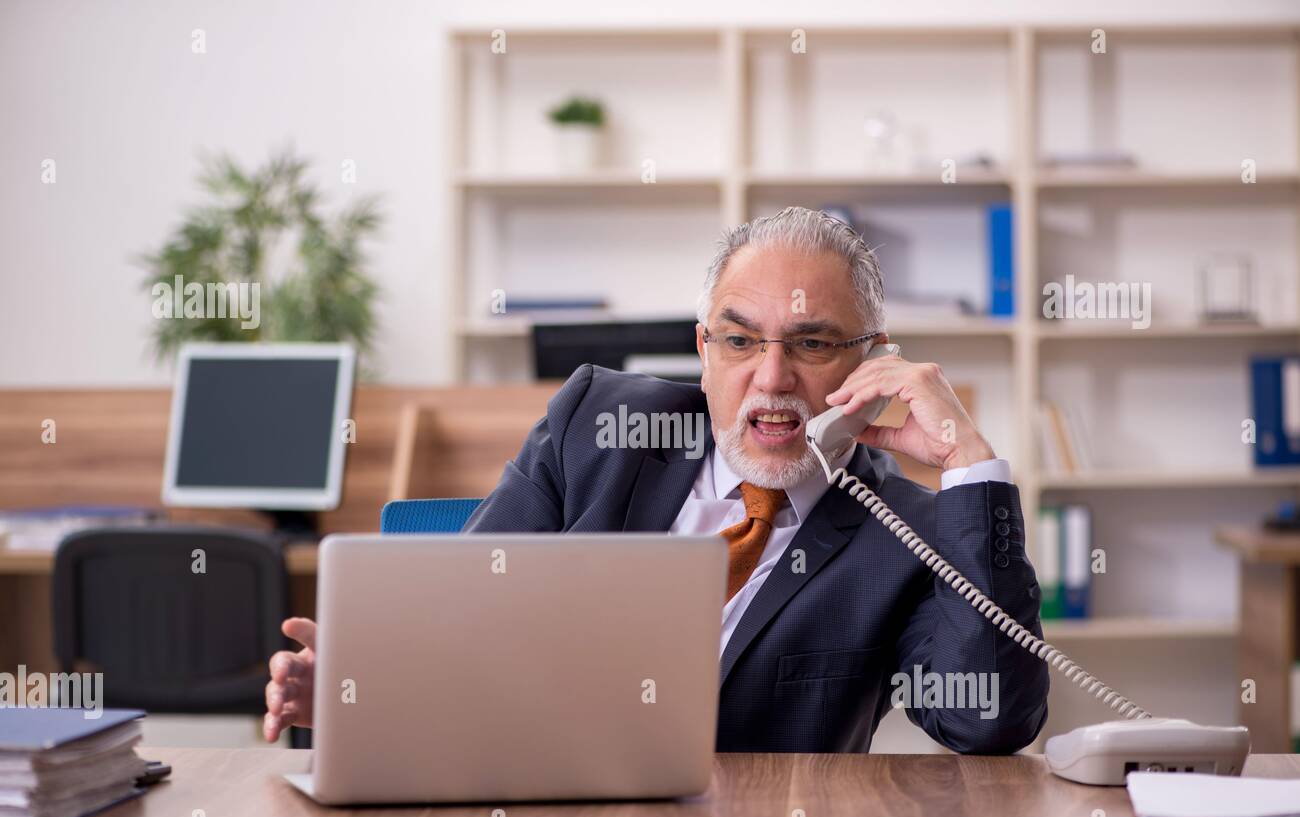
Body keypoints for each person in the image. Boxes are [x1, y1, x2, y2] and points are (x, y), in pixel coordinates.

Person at [265, 206, 1049, 753]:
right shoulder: (598, 424)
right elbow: (468, 603)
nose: (770, 378)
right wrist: (373, 675)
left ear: (873, 360)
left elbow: (989, 719)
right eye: (741, 341)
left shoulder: (903, 531)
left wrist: (968, 463)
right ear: (704, 348)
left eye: (811, 345)